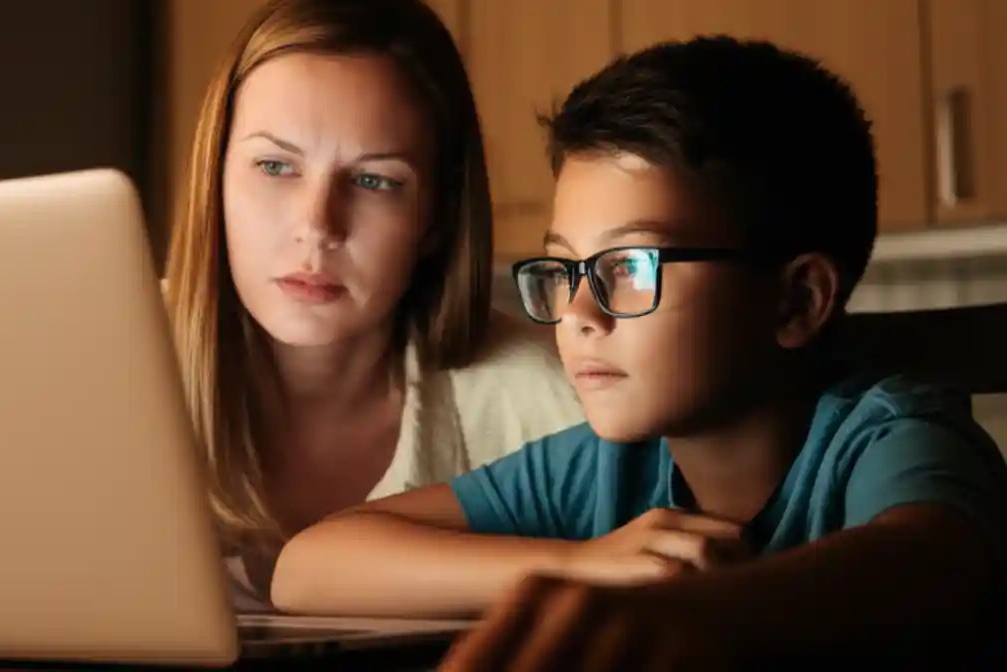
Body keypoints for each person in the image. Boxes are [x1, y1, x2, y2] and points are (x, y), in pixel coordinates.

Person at [271, 36, 1007, 667]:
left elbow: (929, 561)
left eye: (629, 268)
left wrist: (699, 611)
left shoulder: (891, 433)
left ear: (796, 300)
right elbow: (308, 568)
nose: (579, 314)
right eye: (565, 268)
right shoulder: (608, 467)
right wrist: (584, 566)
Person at [161, 0, 582, 610]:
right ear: (213, 180)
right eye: (275, 167)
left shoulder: (548, 401)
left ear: (437, 217)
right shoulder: (104, 364)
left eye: (374, 181)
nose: (317, 227)